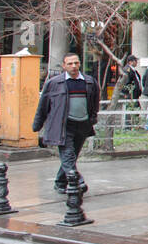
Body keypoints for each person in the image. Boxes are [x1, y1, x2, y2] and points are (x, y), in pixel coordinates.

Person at [32, 52, 100, 195]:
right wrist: (37, 125)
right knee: (68, 155)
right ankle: (77, 180)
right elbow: (43, 105)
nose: (74, 66)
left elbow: (95, 102)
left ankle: (60, 182)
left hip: (82, 125)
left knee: (72, 156)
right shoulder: (54, 83)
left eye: (76, 63)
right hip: (63, 126)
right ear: (64, 66)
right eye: (70, 63)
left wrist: (92, 118)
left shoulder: (89, 82)